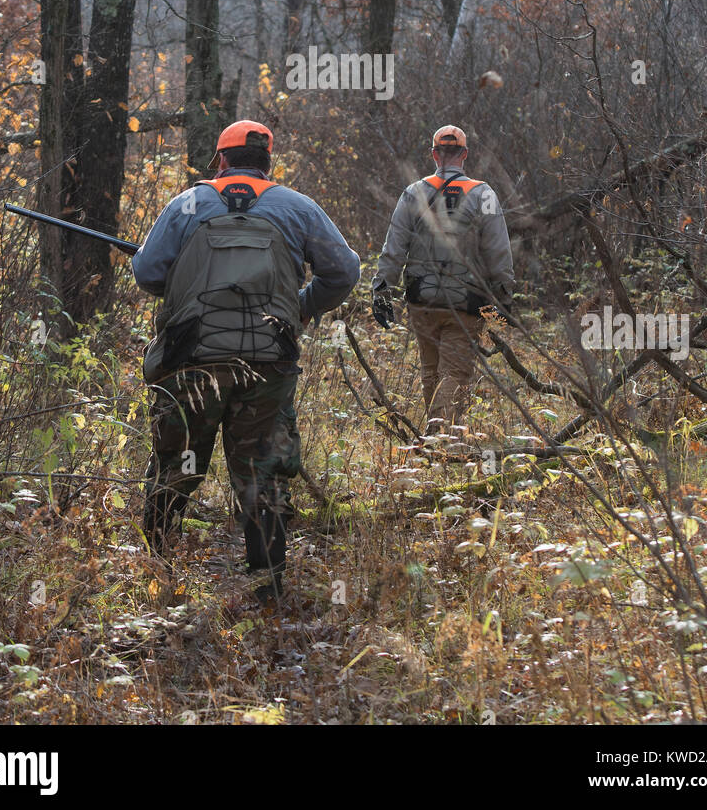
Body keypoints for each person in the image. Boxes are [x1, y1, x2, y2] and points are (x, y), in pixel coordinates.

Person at [132, 119, 359, 599]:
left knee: (179, 461)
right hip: (267, 361)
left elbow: (148, 274)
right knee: (263, 466)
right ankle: (269, 579)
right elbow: (345, 272)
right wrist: (299, 306)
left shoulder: (187, 204)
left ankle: (156, 570)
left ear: (221, 159)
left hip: (193, 360)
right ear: (267, 161)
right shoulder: (297, 207)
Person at [371, 124, 514, 431]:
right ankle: (443, 442)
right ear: (464, 154)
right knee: (456, 374)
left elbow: (393, 248)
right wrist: (504, 297)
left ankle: (437, 442)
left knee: (431, 372)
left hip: (422, 300)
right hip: (466, 302)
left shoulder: (413, 193)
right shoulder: (483, 193)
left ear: (434, 154)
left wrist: (382, 291)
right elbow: (499, 251)